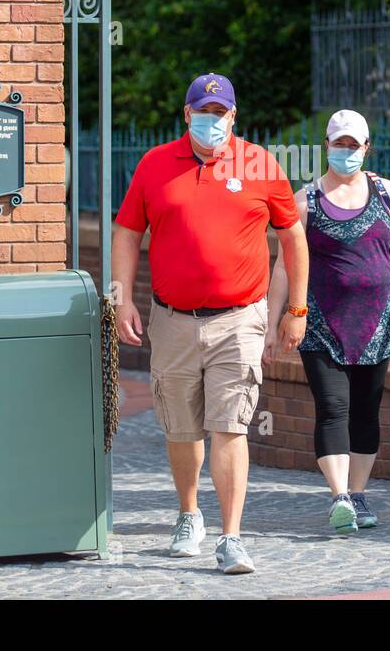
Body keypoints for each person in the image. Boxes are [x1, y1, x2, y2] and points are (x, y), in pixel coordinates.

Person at [112, 73, 309, 575]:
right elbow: (127, 231)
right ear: (186, 114)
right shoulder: (155, 165)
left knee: (229, 425)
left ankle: (231, 536)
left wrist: (296, 310)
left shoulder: (260, 164)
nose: (211, 121)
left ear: (234, 117)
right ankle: (188, 513)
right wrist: (121, 300)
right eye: (203, 112)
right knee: (181, 427)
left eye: (220, 113)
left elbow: (293, 238)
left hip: (239, 319)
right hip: (173, 319)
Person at [266, 109, 390, 535]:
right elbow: (283, 267)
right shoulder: (304, 201)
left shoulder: (387, 194)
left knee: (366, 412)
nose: (346, 151)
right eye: (338, 144)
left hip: (376, 323)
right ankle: (339, 497)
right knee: (333, 408)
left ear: (367, 148)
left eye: (354, 144)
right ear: (326, 146)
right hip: (322, 324)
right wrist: (271, 325)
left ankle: (358, 494)